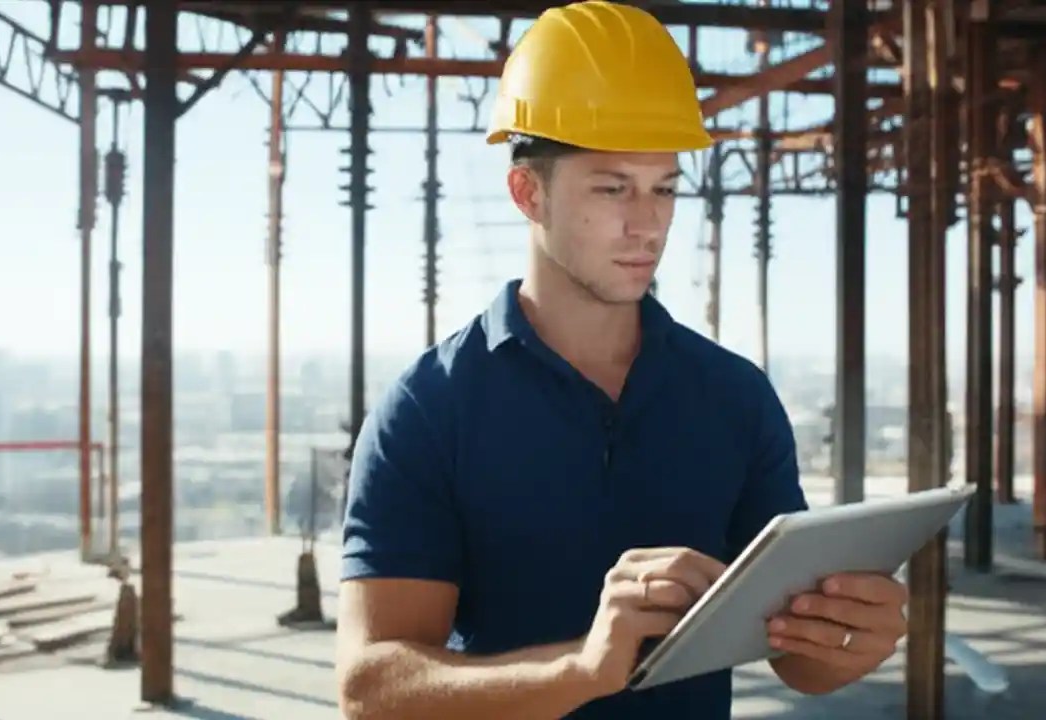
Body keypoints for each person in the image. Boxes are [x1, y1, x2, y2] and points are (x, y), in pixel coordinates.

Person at [333, 2, 908, 718]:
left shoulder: (734, 397)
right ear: (527, 192)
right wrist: (581, 669)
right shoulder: (429, 411)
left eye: (664, 188)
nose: (649, 223)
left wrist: (852, 638)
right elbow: (370, 691)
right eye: (612, 189)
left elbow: (796, 658)